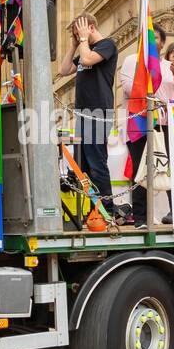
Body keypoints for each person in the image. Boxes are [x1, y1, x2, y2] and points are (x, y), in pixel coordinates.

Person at [57, 14, 118, 219]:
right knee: (82, 163)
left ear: (90, 27)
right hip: (83, 113)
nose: (77, 36)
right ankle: (94, 208)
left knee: (96, 161)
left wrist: (83, 40)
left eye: (79, 31)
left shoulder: (106, 45)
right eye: (75, 33)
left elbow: (87, 60)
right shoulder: (83, 48)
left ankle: (107, 209)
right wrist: (74, 44)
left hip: (98, 112)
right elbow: (64, 69)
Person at [117, 26, 173, 226]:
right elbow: (128, 87)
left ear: (162, 42)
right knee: (141, 168)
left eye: (156, 37)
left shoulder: (168, 65)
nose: (151, 41)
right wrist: (155, 96)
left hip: (164, 123)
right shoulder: (131, 61)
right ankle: (141, 217)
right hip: (138, 120)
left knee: (167, 166)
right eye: (147, 38)